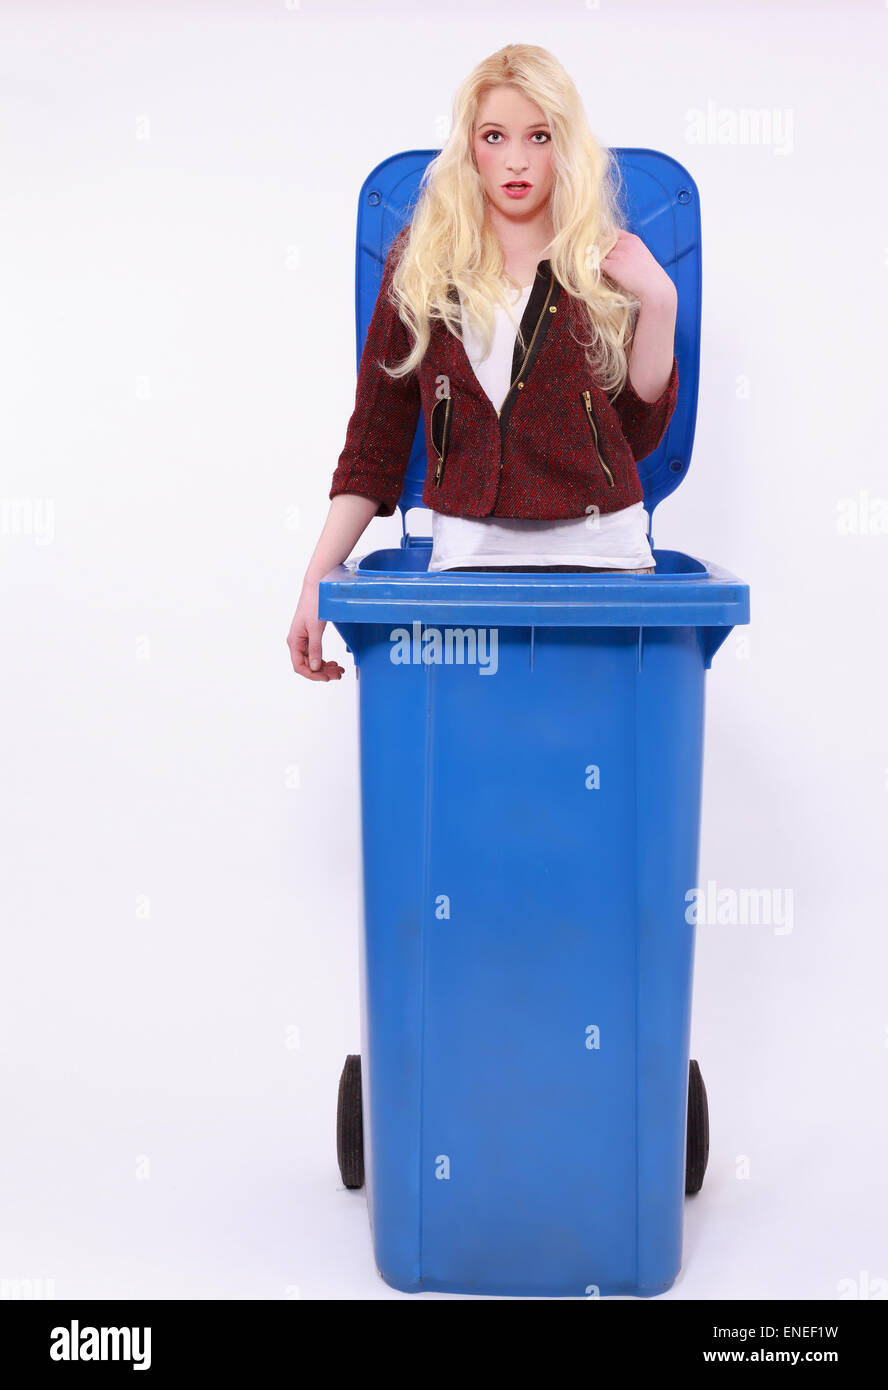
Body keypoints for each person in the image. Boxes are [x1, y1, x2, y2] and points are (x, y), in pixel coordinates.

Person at [287, 43, 679, 682]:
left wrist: (658, 302)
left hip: (606, 564)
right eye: (495, 136)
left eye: (539, 136)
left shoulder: (605, 261)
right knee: (484, 769)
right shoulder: (423, 266)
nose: (517, 160)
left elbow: (634, 439)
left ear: (566, 145)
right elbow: (374, 448)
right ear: (470, 146)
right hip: (466, 569)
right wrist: (313, 584)